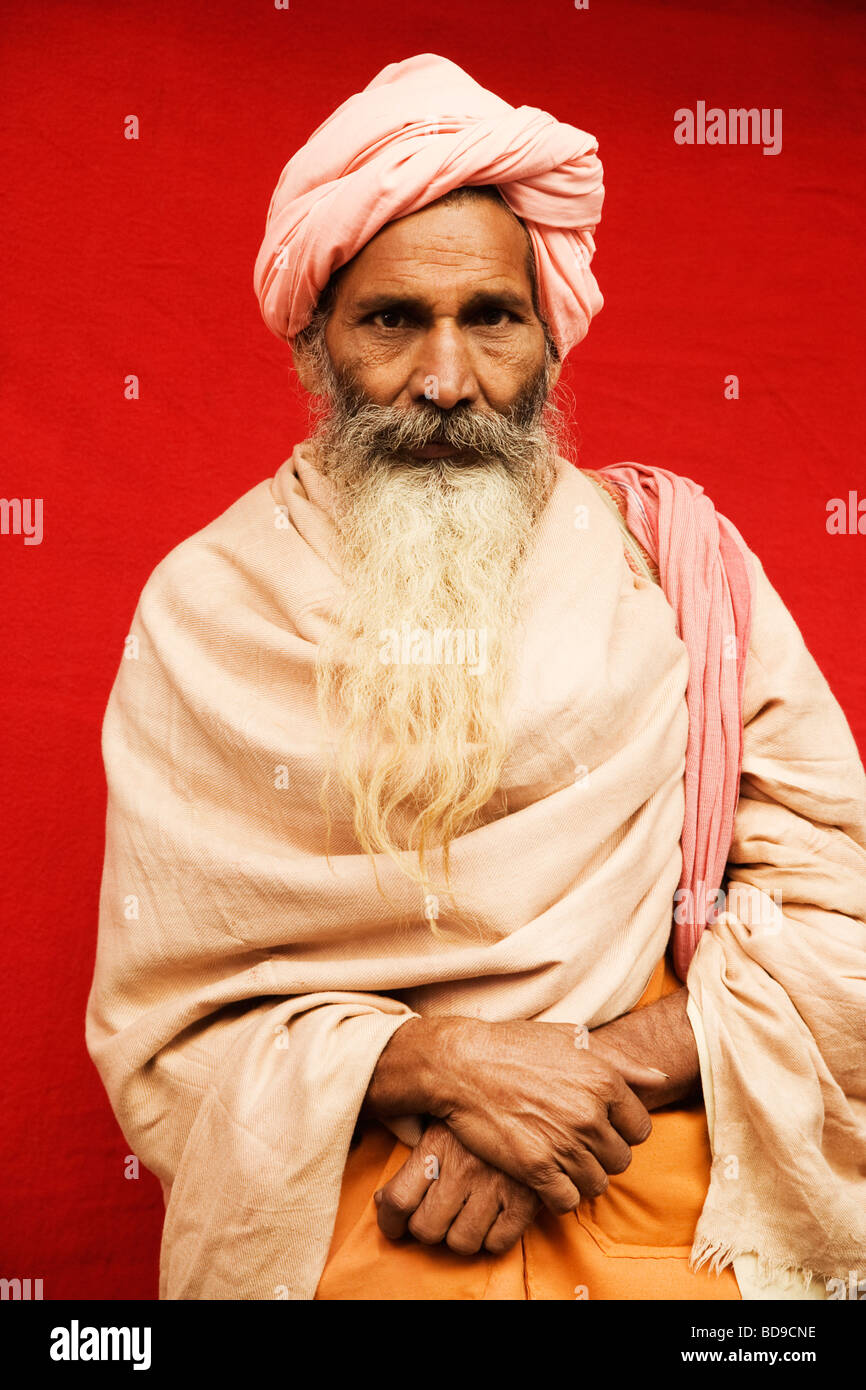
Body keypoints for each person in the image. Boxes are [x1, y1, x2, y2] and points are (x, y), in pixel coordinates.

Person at [86, 53, 866, 1301]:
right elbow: (164, 1033)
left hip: (666, 1187)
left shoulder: (678, 565)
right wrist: (438, 1063)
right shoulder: (204, 609)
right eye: (392, 320)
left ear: (546, 329)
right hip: (355, 1216)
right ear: (315, 336)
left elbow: (845, 925)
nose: (445, 382)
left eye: (488, 319)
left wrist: (579, 1071)